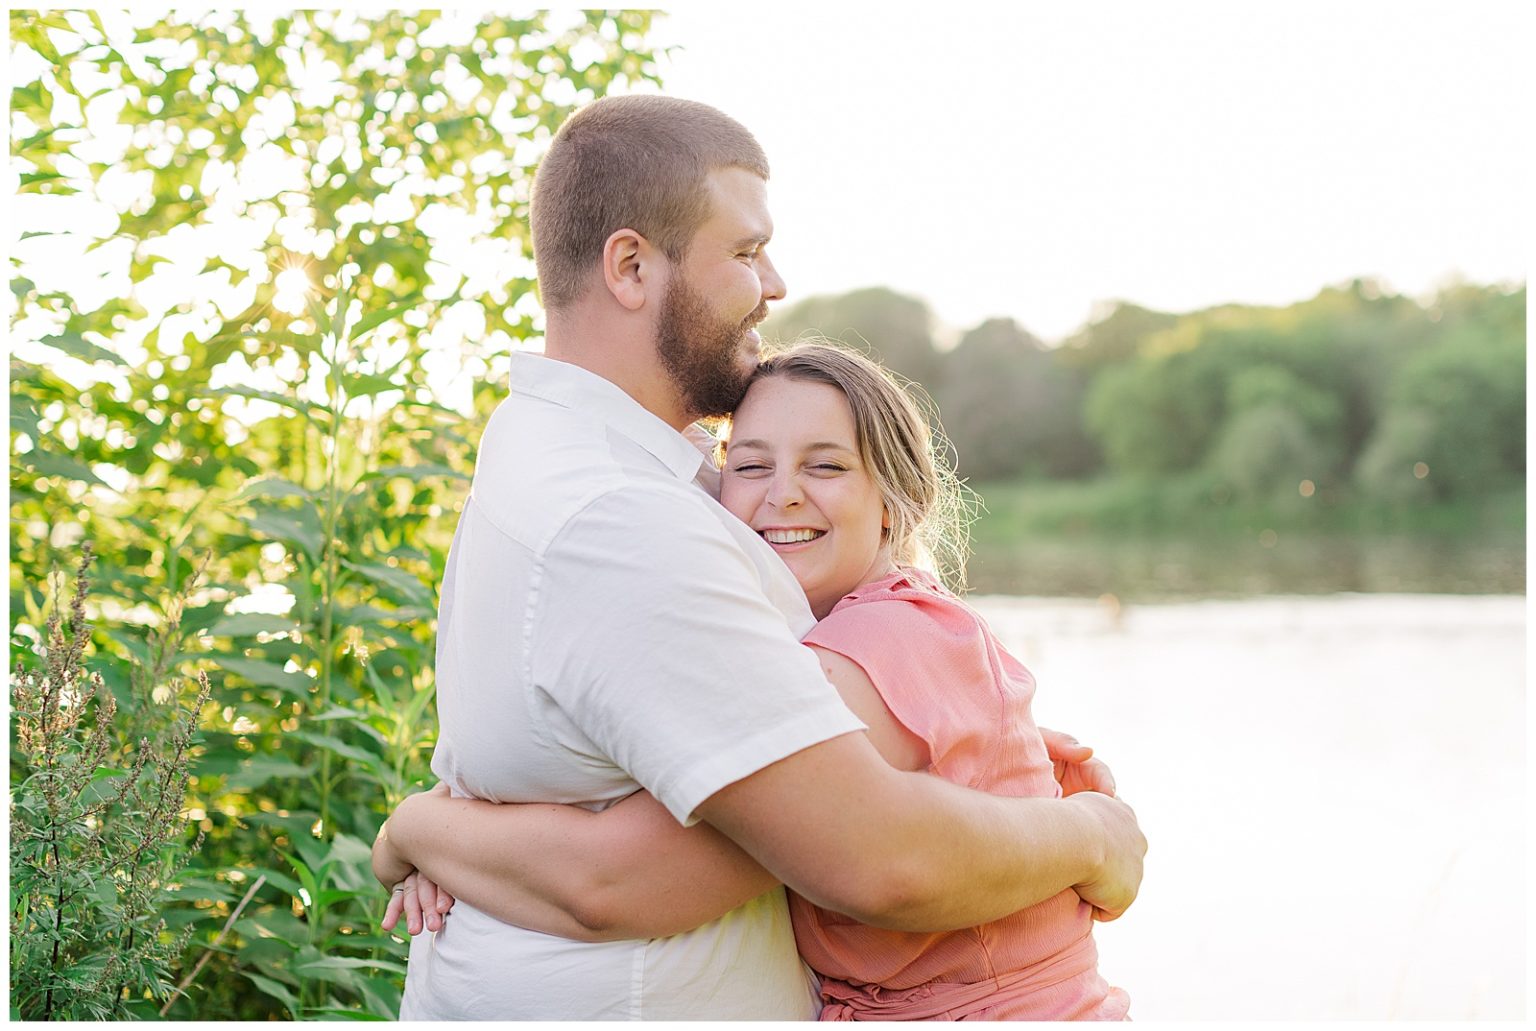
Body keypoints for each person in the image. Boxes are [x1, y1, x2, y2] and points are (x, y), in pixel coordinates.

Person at [377, 93, 1145, 1021]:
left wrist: (441, 824)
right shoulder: (624, 523)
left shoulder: (555, 449)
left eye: (824, 465)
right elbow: (863, 853)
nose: (773, 284)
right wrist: (1091, 832)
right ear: (631, 267)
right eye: (746, 251)